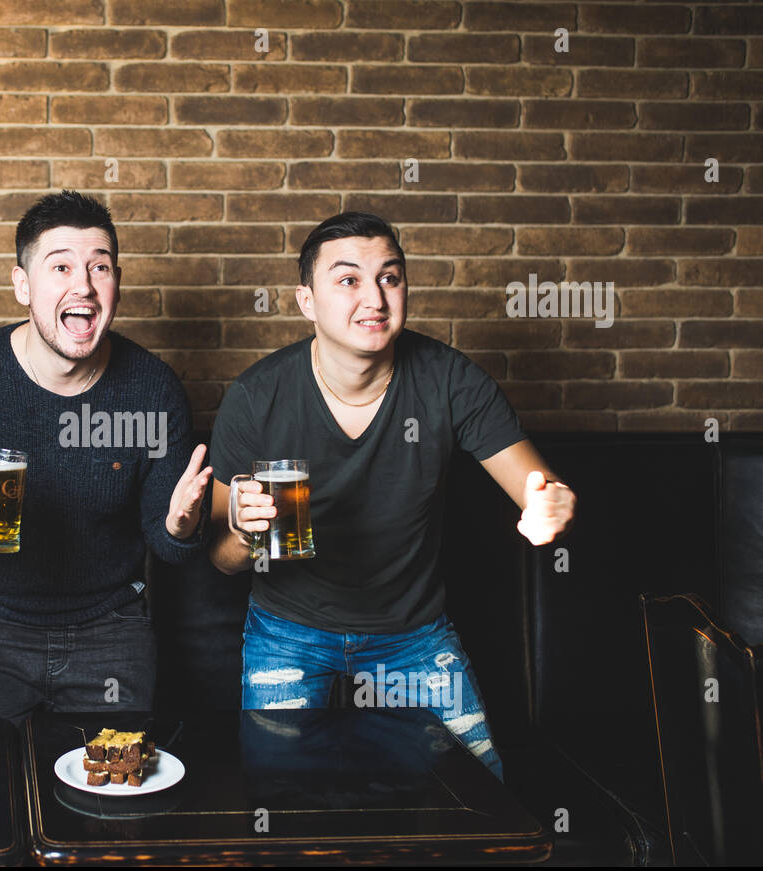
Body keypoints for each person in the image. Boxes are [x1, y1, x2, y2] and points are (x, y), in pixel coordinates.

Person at [208, 211, 576, 779]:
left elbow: (537, 486)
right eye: (349, 280)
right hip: (288, 632)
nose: (375, 298)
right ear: (307, 300)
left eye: (391, 277)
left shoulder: (451, 381)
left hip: (413, 634)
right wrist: (244, 537)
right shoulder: (257, 396)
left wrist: (550, 504)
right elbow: (222, 558)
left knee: (485, 800)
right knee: (276, 806)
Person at [0, 190, 212, 723]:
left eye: (100, 267)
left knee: (116, 791)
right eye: (61, 266)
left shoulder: (152, 388)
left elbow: (170, 546)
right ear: (23, 285)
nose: (83, 285)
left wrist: (181, 526)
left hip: (111, 629)